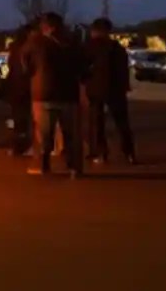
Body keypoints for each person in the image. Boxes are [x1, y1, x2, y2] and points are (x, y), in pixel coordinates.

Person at [22, 12, 84, 177]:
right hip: (69, 93)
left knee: (44, 132)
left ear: (45, 26)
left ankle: (44, 166)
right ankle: (74, 167)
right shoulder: (72, 42)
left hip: (43, 93)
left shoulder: (35, 42)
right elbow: (82, 66)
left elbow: (25, 65)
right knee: (70, 133)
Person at [82, 17, 136, 164]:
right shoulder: (117, 48)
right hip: (117, 89)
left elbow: (83, 68)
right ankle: (129, 153)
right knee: (122, 123)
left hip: (96, 89)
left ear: (95, 30)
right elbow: (124, 70)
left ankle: (100, 153)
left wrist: (84, 81)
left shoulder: (89, 47)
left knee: (96, 123)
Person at [5, 22, 35, 156]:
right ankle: (22, 146)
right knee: (25, 119)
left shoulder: (14, 49)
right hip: (25, 87)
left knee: (17, 119)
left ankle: (15, 146)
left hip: (15, 88)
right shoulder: (28, 49)